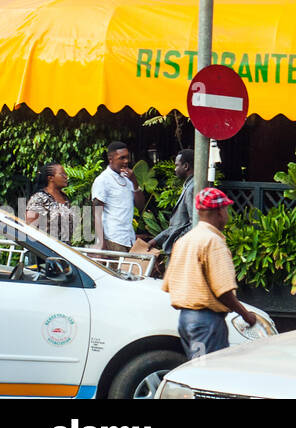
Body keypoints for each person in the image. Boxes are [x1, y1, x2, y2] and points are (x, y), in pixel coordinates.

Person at [161, 187, 259, 360]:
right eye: (226, 209)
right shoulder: (213, 242)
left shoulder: (185, 240)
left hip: (186, 320)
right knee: (206, 373)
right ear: (219, 212)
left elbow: (169, 283)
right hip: (206, 323)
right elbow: (223, 291)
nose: (228, 214)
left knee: (198, 368)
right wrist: (246, 314)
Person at [91, 142, 143, 251]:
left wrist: (134, 181)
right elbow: (96, 213)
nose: (126, 161)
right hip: (113, 239)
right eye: (122, 158)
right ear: (111, 159)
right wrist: (101, 243)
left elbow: (140, 206)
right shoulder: (103, 180)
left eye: (127, 157)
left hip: (129, 238)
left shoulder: (128, 179)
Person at [148, 149, 196, 254]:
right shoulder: (188, 186)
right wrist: (156, 240)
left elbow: (195, 224)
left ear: (186, 166)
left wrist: (177, 241)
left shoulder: (192, 188)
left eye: (177, 165)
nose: (175, 169)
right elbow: (178, 225)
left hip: (183, 250)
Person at [25, 163, 77, 243]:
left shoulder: (65, 198)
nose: (66, 177)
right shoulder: (39, 198)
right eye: (62, 174)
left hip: (64, 249)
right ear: (51, 178)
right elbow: (29, 227)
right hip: (44, 250)